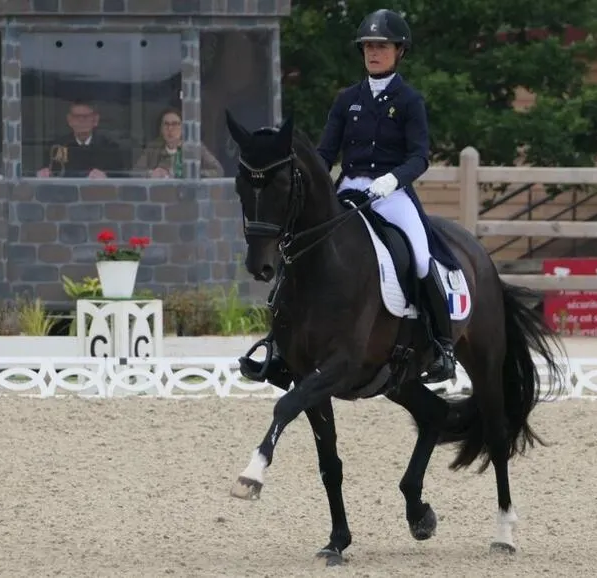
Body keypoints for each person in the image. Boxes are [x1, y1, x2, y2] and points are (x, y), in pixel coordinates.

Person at [242, 8, 458, 387]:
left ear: (399, 51)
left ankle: (442, 346)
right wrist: (306, 183)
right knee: (298, 248)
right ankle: (279, 348)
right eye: (368, 47)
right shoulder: (347, 99)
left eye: (382, 46)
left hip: (392, 194)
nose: (373, 53)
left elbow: (419, 156)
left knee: (422, 258)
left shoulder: (409, 100)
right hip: (348, 190)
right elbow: (325, 154)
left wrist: (392, 180)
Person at [36, 99, 125, 179]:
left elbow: (121, 181)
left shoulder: (109, 148)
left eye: (86, 116)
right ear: (69, 120)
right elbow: (49, 174)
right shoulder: (58, 146)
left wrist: (106, 178)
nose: (81, 120)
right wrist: (44, 174)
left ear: (95, 120)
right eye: (76, 116)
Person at [134, 107, 225, 178]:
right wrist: (151, 174)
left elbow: (218, 171)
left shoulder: (195, 147)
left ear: (182, 128)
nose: (170, 129)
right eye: (166, 124)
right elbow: (135, 173)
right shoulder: (153, 148)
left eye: (175, 124)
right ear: (161, 128)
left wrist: (193, 174)